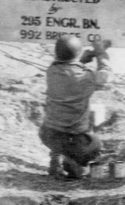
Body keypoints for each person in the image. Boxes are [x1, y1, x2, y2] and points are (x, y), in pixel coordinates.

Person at [39, 35, 110, 180]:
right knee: (96, 146)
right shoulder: (87, 77)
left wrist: (84, 58)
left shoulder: (51, 71)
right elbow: (106, 74)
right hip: (72, 140)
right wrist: (100, 52)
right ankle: (74, 163)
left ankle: (56, 161)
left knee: (60, 129)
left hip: (48, 135)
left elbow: (68, 68)